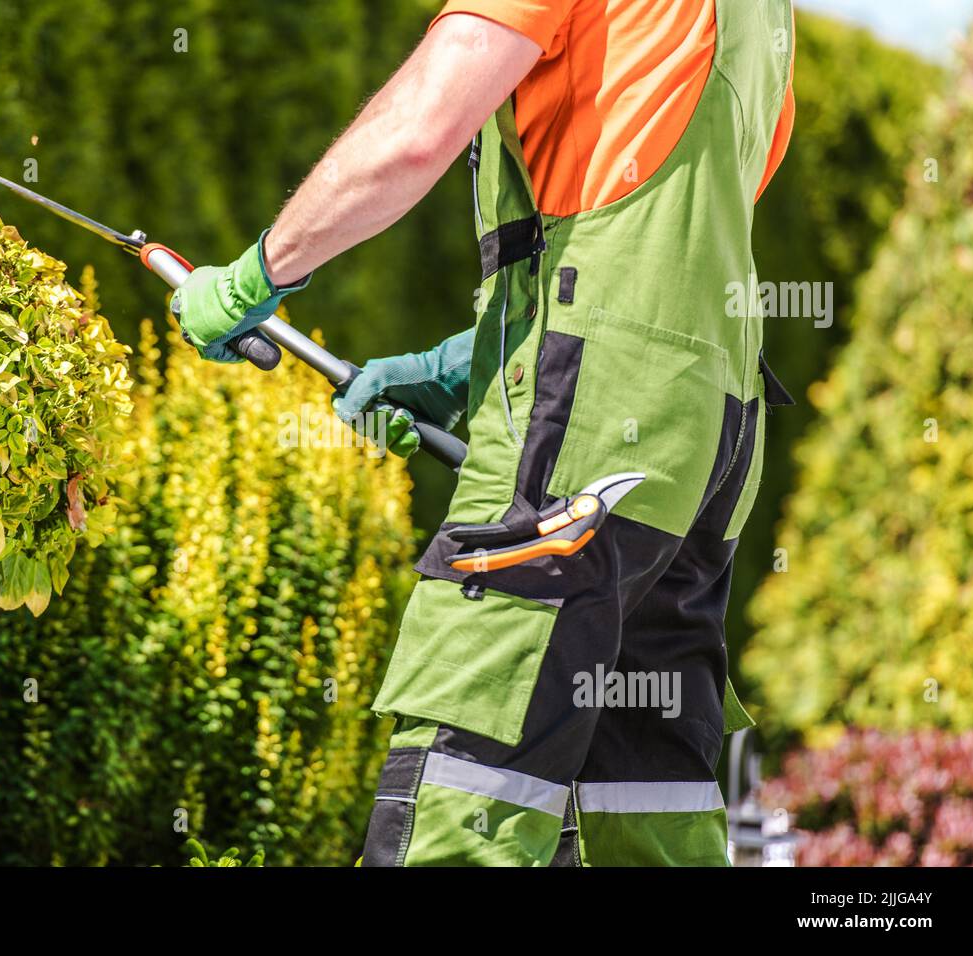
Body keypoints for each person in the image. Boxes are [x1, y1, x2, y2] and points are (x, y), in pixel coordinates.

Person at [172, 0, 796, 866]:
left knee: (468, 771)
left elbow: (418, 130)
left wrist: (256, 273)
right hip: (707, 431)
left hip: (591, 424)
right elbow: (668, 240)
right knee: (648, 782)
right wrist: (466, 367)